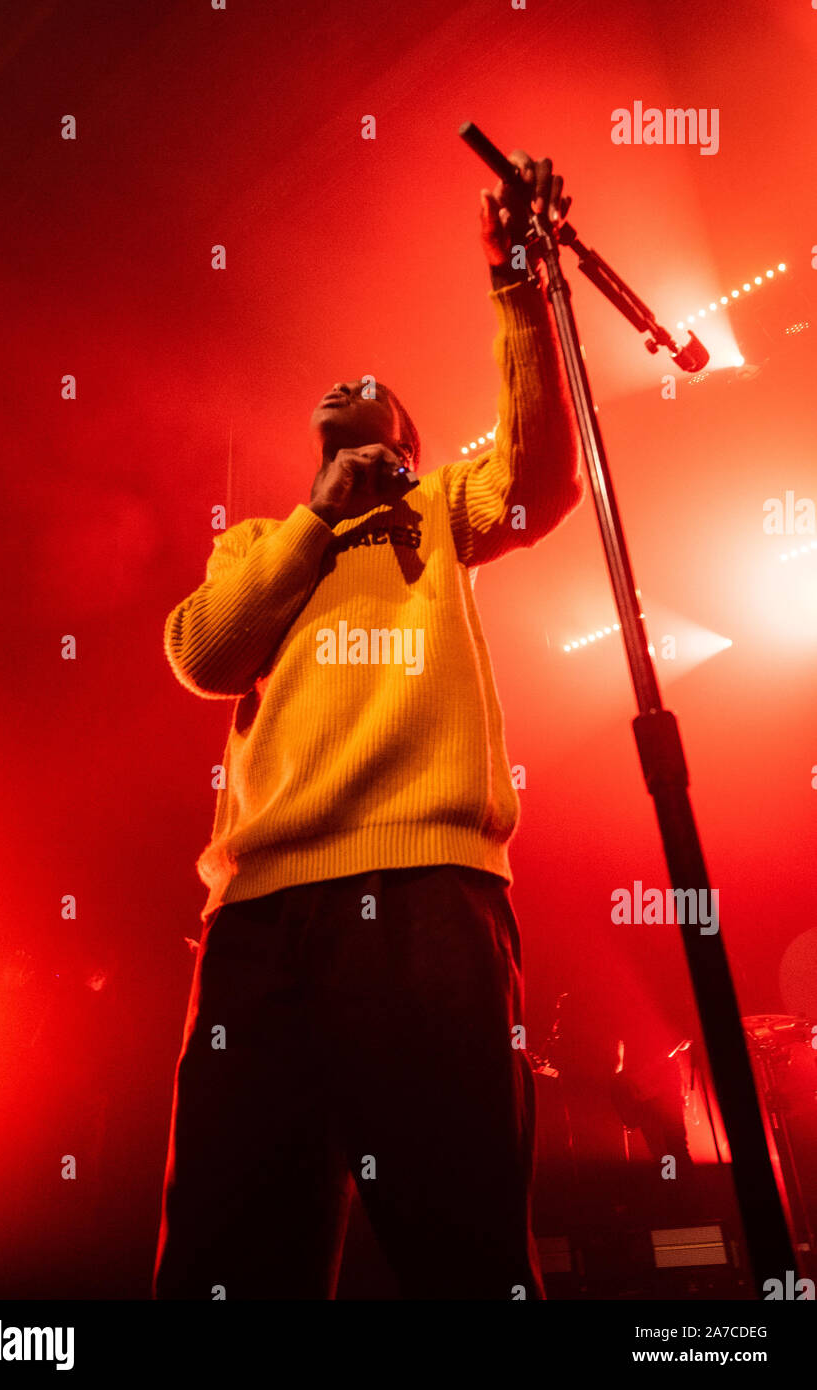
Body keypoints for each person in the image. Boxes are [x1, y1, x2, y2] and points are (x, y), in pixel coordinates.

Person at [153, 151, 583, 1300]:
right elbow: (203, 652)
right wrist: (313, 522)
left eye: (374, 381)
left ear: (409, 434)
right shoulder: (258, 542)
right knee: (226, 1260)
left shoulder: (443, 508)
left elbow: (541, 474)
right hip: (256, 920)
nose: (350, 377)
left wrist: (521, 289)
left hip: (426, 898)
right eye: (335, 379)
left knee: (465, 1248)